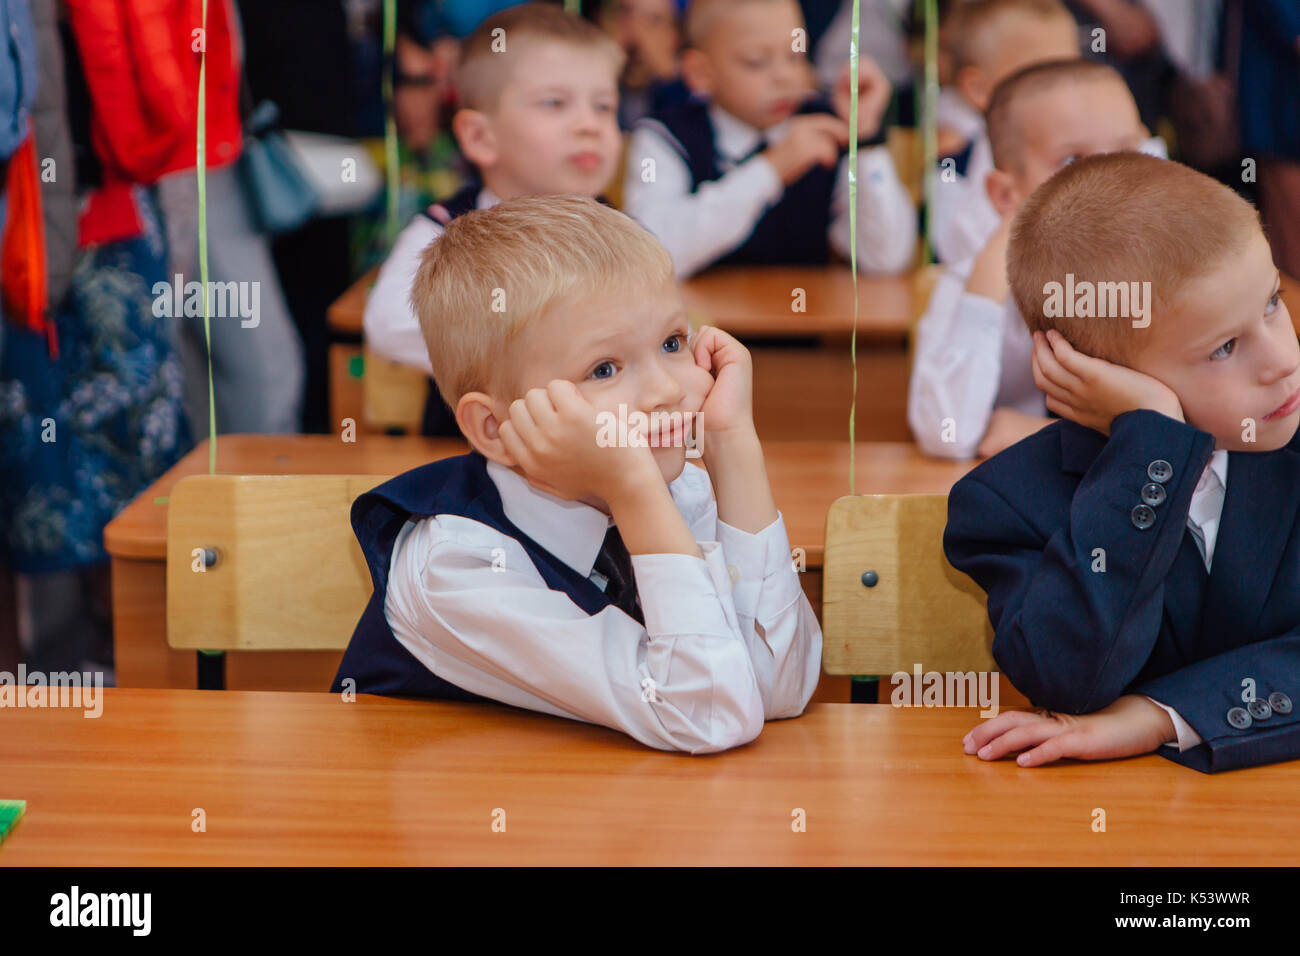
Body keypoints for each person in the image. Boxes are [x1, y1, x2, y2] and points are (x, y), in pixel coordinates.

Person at [332, 196, 823, 753]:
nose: (666, 389)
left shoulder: (677, 490)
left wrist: (732, 448)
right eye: (604, 369)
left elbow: (777, 690)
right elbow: (708, 717)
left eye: (672, 343)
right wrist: (634, 490)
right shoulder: (457, 563)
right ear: (494, 428)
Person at [946, 152, 1300, 773]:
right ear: (1096, 375)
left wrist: (1158, 715)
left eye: (1271, 303)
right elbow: (1070, 681)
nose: (1279, 361)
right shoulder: (1006, 502)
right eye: (1223, 347)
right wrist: (1152, 442)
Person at [363, 2, 625, 435]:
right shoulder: (443, 228)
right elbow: (388, 324)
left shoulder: (624, 235)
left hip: (597, 459)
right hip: (467, 468)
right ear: (481, 137)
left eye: (604, 107)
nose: (589, 125)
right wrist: (540, 346)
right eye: (555, 103)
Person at [909, 59, 1156, 460]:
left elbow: (1203, 424)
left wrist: (1046, 435)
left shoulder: (1179, 276)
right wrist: (987, 284)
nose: (1110, 178)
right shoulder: (974, 281)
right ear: (1006, 195)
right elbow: (946, 431)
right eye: (1072, 161)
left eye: (1128, 152)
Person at [623, 0, 916, 279]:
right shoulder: (664, 137)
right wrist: (772, 169)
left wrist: (865, 140)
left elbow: (886, 259)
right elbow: (654, 255)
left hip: (805, 325)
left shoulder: (824, 125)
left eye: (795, 56)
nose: (785, 76)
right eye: (757, 62)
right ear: (700, 72)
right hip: (698, 328)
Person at [927, 0, 1079, 265]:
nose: (1068, 88)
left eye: (1076, 71)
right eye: (1043, 75)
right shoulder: (954, 165)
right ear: (980, 89)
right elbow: (950, 249)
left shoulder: (1093, 155)